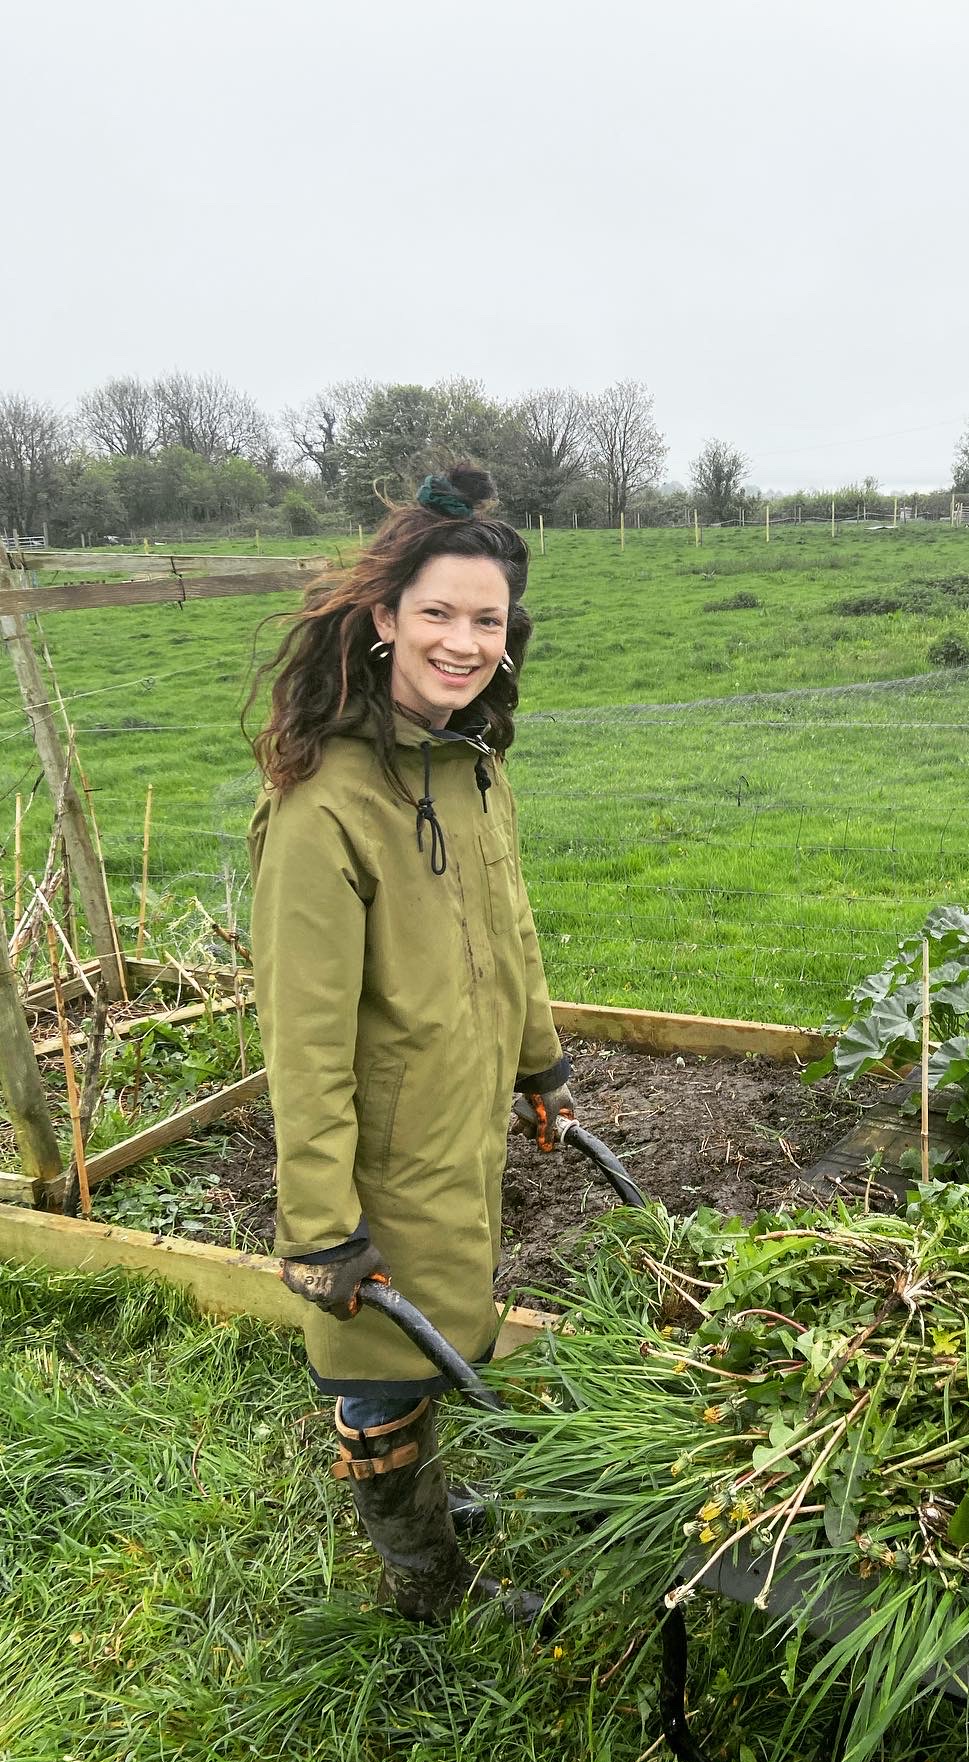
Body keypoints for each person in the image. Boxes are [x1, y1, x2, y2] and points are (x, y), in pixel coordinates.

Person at [246, 466, 575, 1623]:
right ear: (383, 620)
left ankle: (430, 1503)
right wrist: (320, 1227)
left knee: (448, 1319)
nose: (463, 640)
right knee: (379, 1370)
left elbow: (512, 931)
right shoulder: (324, 804)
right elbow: (304, 1038)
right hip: (378, 1156)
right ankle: (426, 1589)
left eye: (486, 619)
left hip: (457, 1124)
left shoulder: (471, 764)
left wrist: (542, 1064)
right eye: (438, 612)